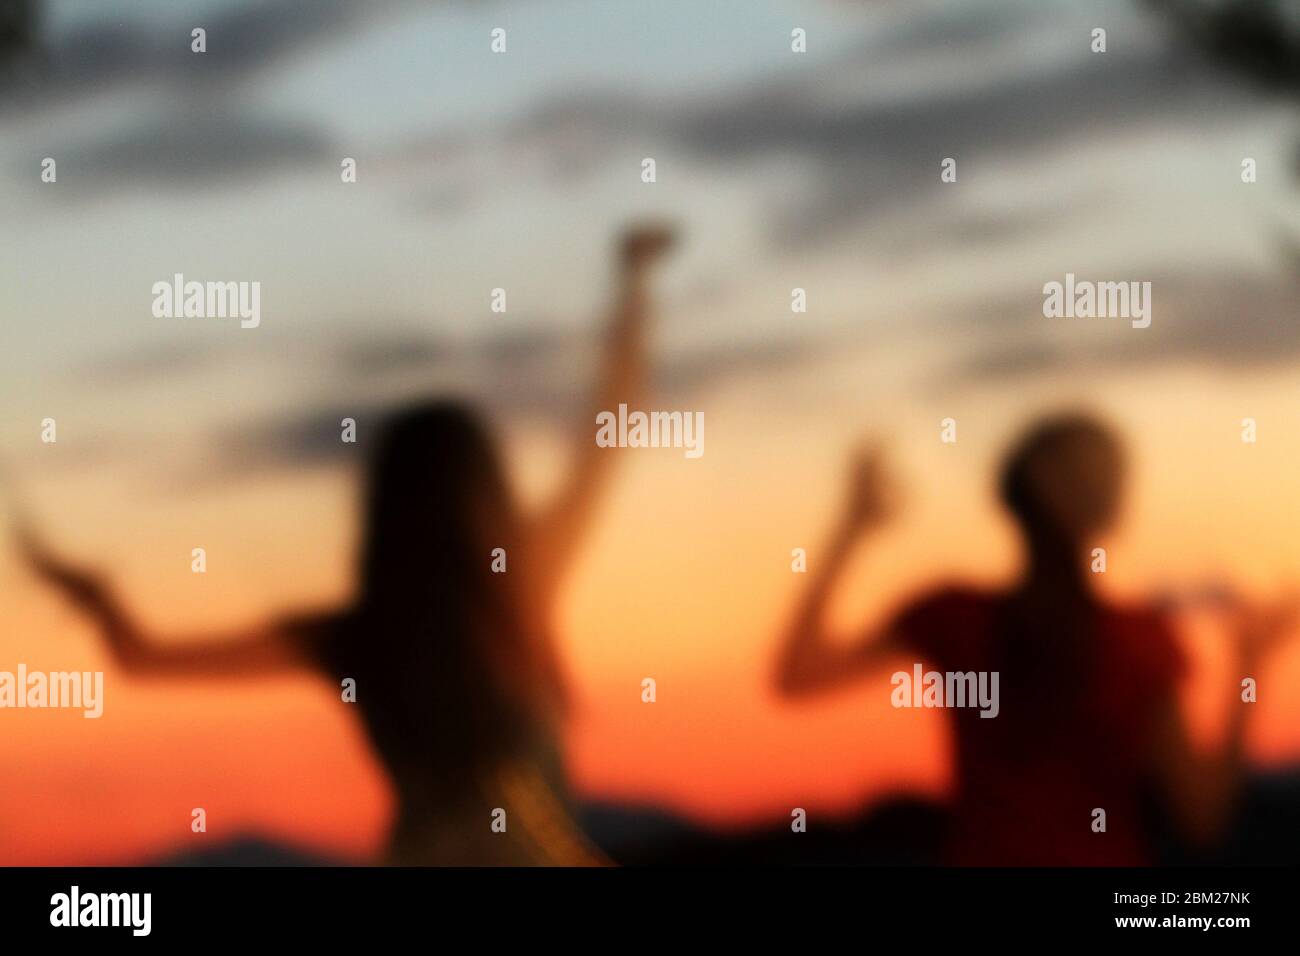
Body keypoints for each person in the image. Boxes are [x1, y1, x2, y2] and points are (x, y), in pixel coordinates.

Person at [21, 224, 677, 865]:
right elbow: (609, 432)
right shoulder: (517, 588)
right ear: (485, 497)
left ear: (384, 513)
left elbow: (145, 659)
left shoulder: (353, 636)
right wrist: (633, 283)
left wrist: (91, 593)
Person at [773, 414, 1296, 865]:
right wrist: (1250, 662)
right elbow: (1202, 819)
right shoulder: (1140, 641)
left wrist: (853, 524)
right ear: (1108, 506)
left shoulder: (953, 616)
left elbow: (798, 674)